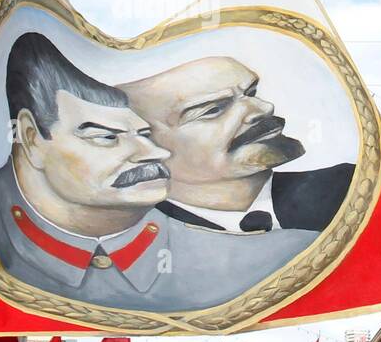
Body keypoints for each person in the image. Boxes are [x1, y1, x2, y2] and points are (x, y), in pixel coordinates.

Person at [0, 35, 317, 312]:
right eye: (107, 137)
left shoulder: (278, 250)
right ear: (31, 136)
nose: (155, 154)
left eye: (145, 134)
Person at [122, 56, 354, 233]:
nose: (263, 108)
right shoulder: (128, 237)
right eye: (212, 110)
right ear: (142, 145)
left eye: (251, 92)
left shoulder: (351, 188)